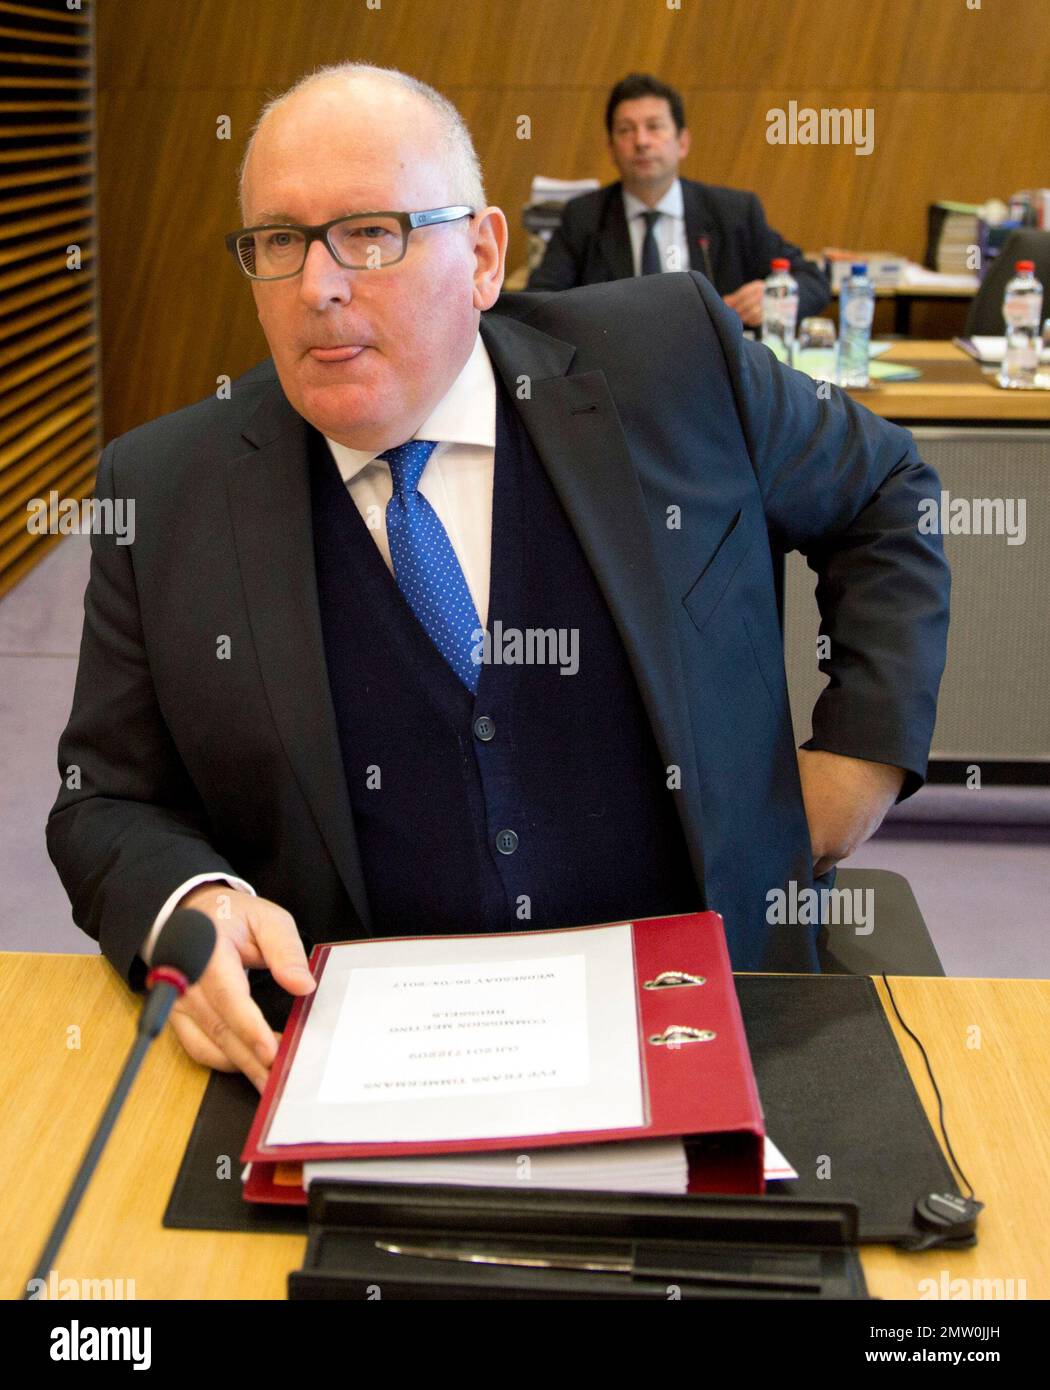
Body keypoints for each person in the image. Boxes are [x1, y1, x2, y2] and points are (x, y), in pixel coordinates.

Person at [47, 64, 948, 1095]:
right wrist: (189, 900)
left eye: (371, 232)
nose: (317, 287)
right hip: (357, 1082)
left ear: (482, 254)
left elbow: (888, 488)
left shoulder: (669, 366)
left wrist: (864, 752)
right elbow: (103, 800)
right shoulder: (165, 491)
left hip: (715, 1034)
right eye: (278, 242)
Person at [527, 72, 831, 325]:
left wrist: (774, 296)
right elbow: (539, 303)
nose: (641, 142)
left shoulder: (733, 212)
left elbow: (813, 281)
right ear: (611, 148)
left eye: (654, 127)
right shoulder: (584, 218)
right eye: (626, 130)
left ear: (682, 142)